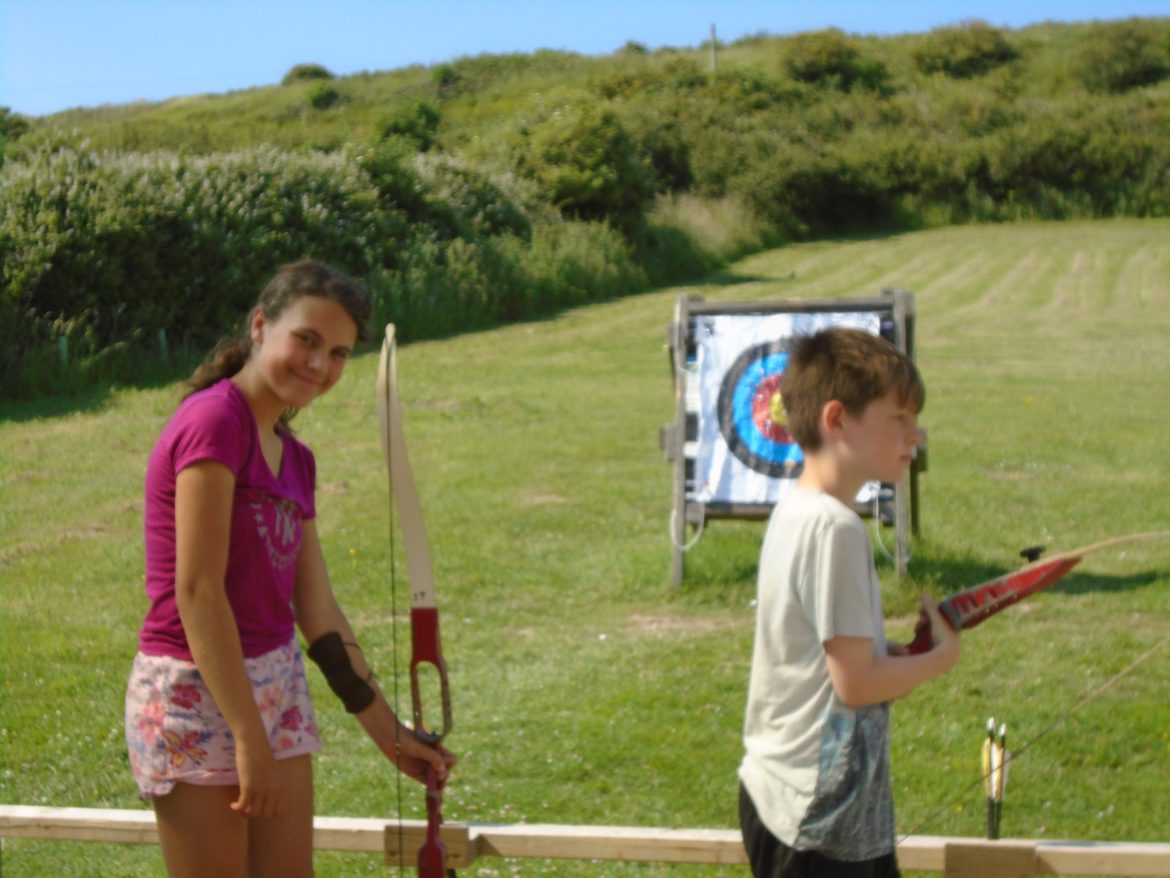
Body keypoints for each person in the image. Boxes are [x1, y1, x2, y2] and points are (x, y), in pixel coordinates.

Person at [124, 260, 455, 878]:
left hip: (276, 686)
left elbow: (319, 613)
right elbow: (197, 592)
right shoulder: (214, 422)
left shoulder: (296, 459)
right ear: (259, 326)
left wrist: (389, 733)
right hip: (197, 690)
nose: (319, 365)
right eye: (306, 339)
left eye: (337, 353)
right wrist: (249, 736)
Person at [738, 327, 960, 878]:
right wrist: (940, 660)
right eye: (899, 419)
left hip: (796, 804)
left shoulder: (801, 510)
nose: (916, 436)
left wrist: (897, 652)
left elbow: (824, 656)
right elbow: (855, 684)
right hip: (819, 822)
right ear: (837, 420)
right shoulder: (836, 529)